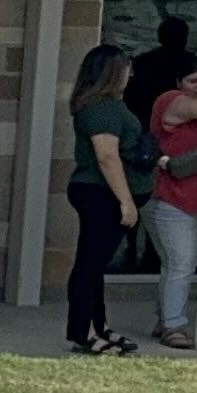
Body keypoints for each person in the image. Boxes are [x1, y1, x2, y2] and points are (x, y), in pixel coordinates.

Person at [63, 43, 146, 357]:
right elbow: (107, 156)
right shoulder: (101, 109)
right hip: (99, 193)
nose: (130, 73)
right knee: (89, 264)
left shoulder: (108, 105)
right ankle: (84, 331)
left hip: (100, 192)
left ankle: (98, 326)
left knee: (94, 266)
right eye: (127, 67)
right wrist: (126, 201)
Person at [143, 66, 197, 345]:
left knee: (176, 264)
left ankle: (165, 319)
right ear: (179, 82)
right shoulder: (170, 100)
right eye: (192, 79)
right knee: (181, 264)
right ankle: (174, 326)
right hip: (169, 198)